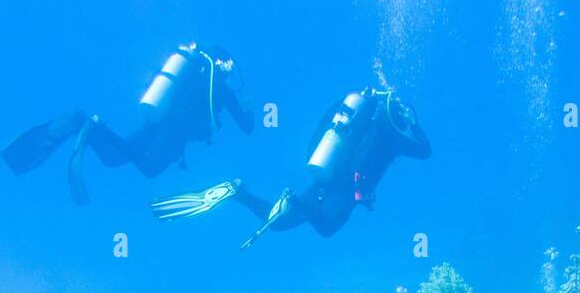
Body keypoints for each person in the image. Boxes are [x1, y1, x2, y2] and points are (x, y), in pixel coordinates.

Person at [150, 86, 430, 245]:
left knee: (280, 224)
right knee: (327, 228)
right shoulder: (394, 137)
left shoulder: (360, 123)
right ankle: (293, 202)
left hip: (325, 176)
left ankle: (239, 192)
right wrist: (414, 124)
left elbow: (323, 126)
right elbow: (425, 150)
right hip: (347, 189)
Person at [1, 43, 254, 205]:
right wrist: (249, 111)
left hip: (155, 123)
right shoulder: (220, 87)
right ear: (224, 66)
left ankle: (88, 125)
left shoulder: (189, 76)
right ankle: (94, 126)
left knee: (113, 159)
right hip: (176, 133)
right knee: (150, 169)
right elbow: (246, 127)